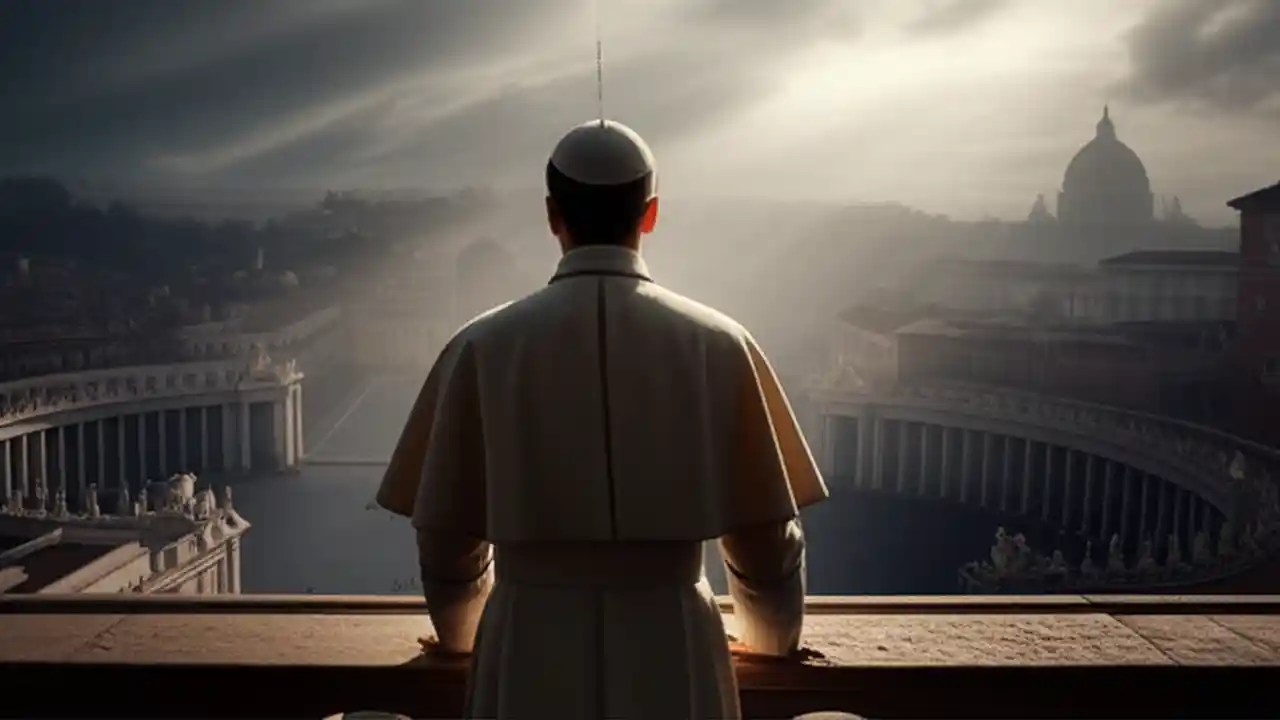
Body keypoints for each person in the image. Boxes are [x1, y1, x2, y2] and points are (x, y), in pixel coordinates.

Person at [377, 119, 828, 719]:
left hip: (526, 643)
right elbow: (765, 545)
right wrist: (771, 645)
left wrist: (461, 640)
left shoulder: (480, 347)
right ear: (651, 214)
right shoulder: (720, 344)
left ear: (551, 214)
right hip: (674, 645)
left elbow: (445, 541)